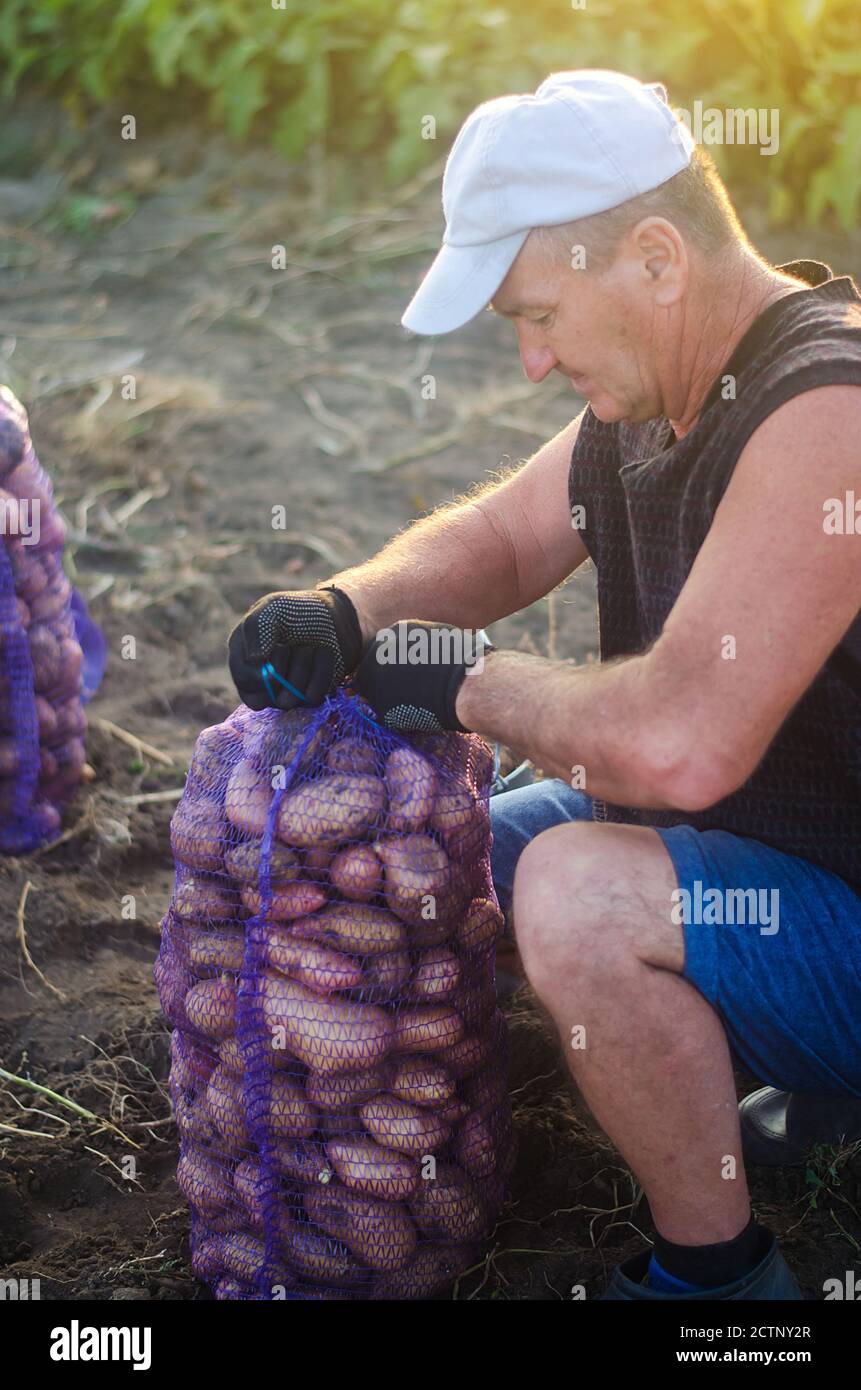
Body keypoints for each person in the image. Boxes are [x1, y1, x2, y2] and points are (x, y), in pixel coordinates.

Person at [228, 70, 861, 1300]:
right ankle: (796, 1080)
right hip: (784, 863)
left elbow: (680, 746)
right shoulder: (671, 384)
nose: (528, 361)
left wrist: (470, 679)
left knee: (576, 893)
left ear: (658, 260)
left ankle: (723, 1283)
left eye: (538, 314)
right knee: (460, 844)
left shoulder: (830, 416)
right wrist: (347, 608)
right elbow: (505, 542)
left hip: (831, 886)